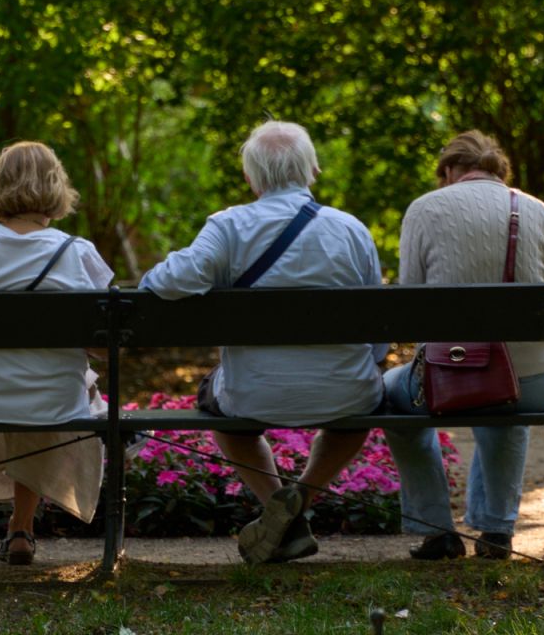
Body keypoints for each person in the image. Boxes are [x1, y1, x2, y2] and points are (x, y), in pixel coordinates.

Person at [139, 120, 386, 564]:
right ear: (313, 170)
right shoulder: (350, 229)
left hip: (251, 394)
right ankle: (298, 503)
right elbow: (377, 330)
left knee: (220, 412)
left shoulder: (229, 225)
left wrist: (149, 276)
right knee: (355, 417)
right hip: (346, 392)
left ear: (251, 178)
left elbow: (171, 280)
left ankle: (282, 512)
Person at [384, 130, 544, 561]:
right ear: (498, 173)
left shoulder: (425, 208)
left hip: (447, 378)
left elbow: (409, 300)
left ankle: (437, 530)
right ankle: (495, 531)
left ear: (448, 172)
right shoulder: (537, 210)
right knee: (507, 392)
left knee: (391, 398)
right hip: (534, 384)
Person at [0, 141, 111, 566]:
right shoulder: (78, 252)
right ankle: (21, 527)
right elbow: (104, 345)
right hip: (53, 403)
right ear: (56, 188)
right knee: (65, 389)